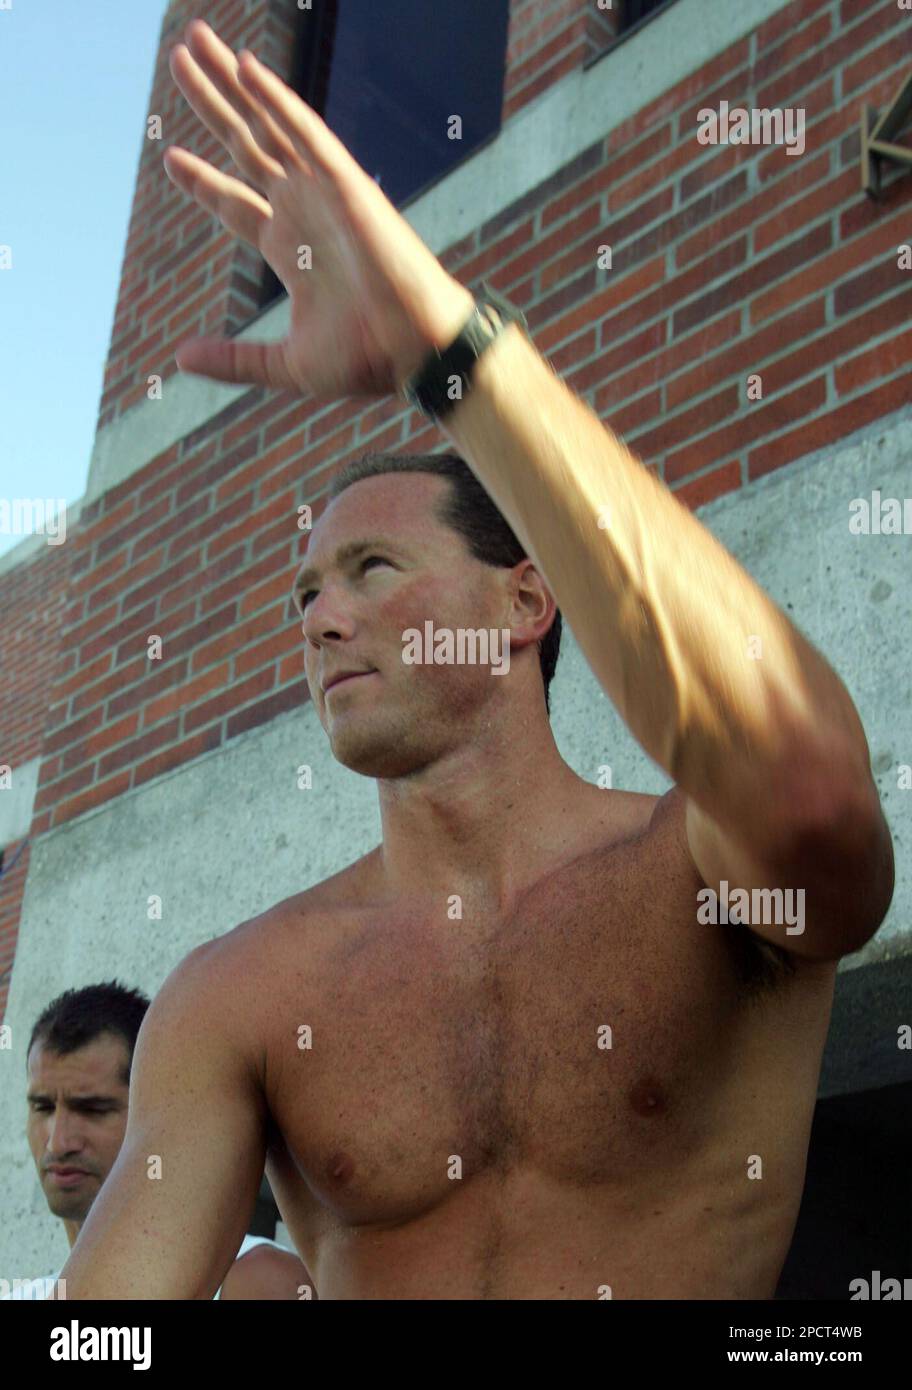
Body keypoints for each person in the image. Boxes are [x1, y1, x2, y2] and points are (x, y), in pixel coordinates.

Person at [56, 20, 894, 1299]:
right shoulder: (241, 988)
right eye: (304, 591)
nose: (321, 620)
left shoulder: (701, 874)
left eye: (372, 571)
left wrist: (450, 352)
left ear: (523, 601)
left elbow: (820, 795)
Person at [4, 983, 310, 1299]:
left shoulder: (255, 1282)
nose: (57, 1143)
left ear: (157, 1114)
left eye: (92, 1109)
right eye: (42, 1107)